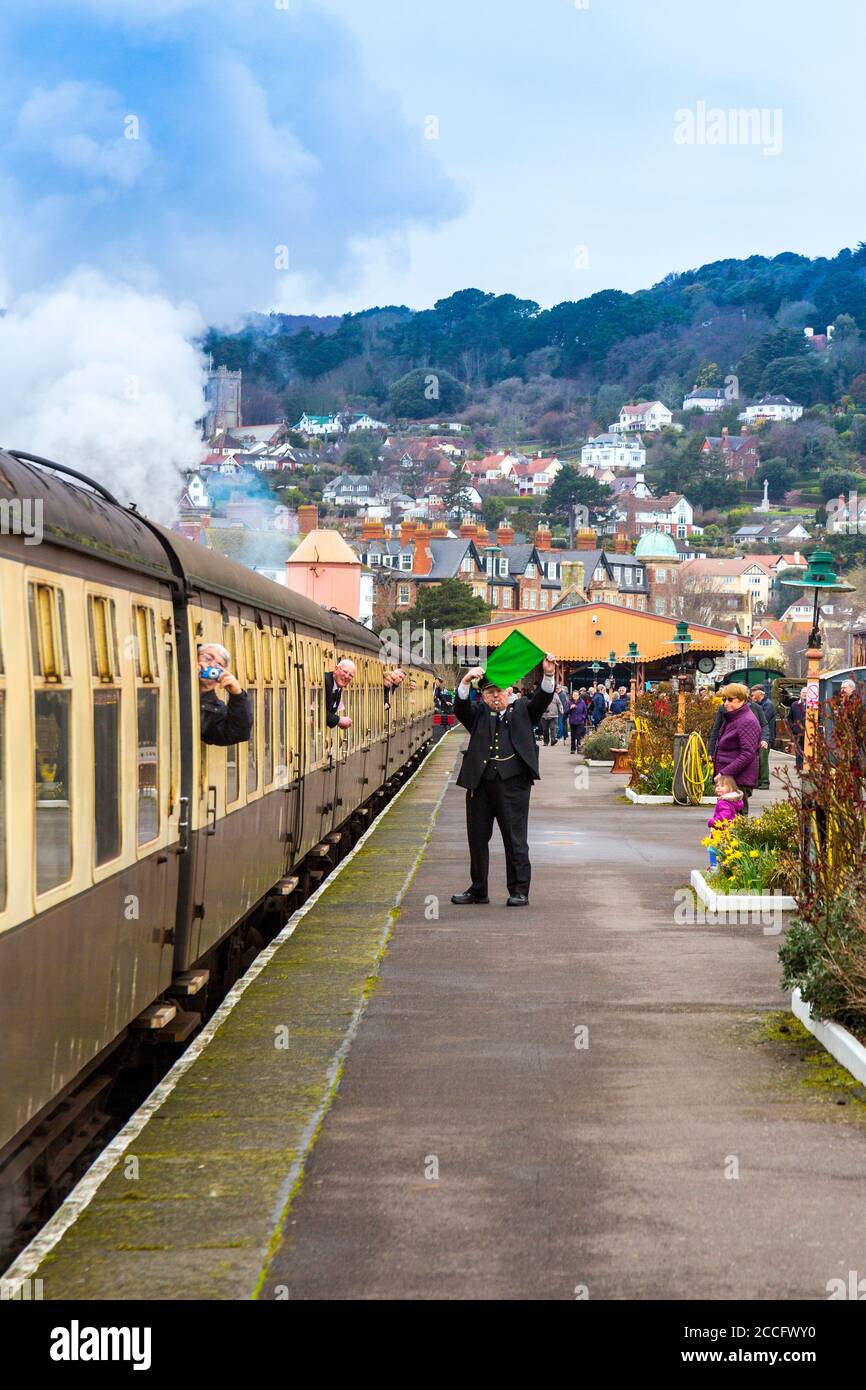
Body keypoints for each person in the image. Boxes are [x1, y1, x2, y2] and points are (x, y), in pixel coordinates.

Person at [451, 653, 558, 907]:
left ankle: (519, 889)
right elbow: (460, 707)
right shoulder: (477, 713)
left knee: (515, 838)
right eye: (489, 693)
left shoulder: (522, 710)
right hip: (480, 785)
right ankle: (478, 890)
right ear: (483, 696)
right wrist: (466, 681)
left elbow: (542, 699)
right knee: (477, 839)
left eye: (499, 692)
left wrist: (549, 674)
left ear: (509, 692)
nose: (495, 697)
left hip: (513, 785)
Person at [712, 683, 760, 814]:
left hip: (738, 780)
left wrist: (724, 773)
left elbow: (748, 754)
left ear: (743, 700)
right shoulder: (734, 718)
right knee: (727, 820)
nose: (726, 703)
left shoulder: (746, 721)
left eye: (730, 699)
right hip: (732, 779)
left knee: (736, 821)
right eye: (724, 700)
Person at [198, 643, 253, 746]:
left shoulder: (215, 709)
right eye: (207, 658)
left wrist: (237, 695)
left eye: (218, 665)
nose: (211, 665)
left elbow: (238, 734)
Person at [705, 773, 745, 868]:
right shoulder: (730, 801)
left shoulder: (724, 802)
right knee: (724, 850)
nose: (718, 788)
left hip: (721, 831)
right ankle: (721, 867)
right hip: (727, 831)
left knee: (713, 849)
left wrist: (711, 822)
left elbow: (723, 818)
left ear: (731, 789)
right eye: (717, 786)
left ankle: (714, 868)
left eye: (722, 786)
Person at [324, 658, 356, 729]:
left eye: (351, 675)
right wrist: (338, 720)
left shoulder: (338, 685)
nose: (347, 676)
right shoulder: (325, 681)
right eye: (345, 672)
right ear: (336, 669)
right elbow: (316, 711)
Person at [787, 692, 806, 771]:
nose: (805, 694)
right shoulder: (794, 705)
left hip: (809, 732)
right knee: (799, 750)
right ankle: (799, 766)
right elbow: (789, 717)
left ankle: (807, 766)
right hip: (797, 731)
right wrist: (793, 726)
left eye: (807, 693)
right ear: (800, 694)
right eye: (803, 693)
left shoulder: (812, 705)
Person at [567, 688, 588, 752]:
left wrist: (583, 717)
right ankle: (573, 749)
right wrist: (570, 708)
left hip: (580, 721)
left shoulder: (582, 702)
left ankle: (579, 748)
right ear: (572, 696)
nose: (575, 696)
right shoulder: (569, 702)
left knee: (578, 735)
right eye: (574, 695)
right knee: (572, 736)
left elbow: (585, 711)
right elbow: (566, 711)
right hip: (572, 721)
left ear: (579, 696)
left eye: (576, 695)